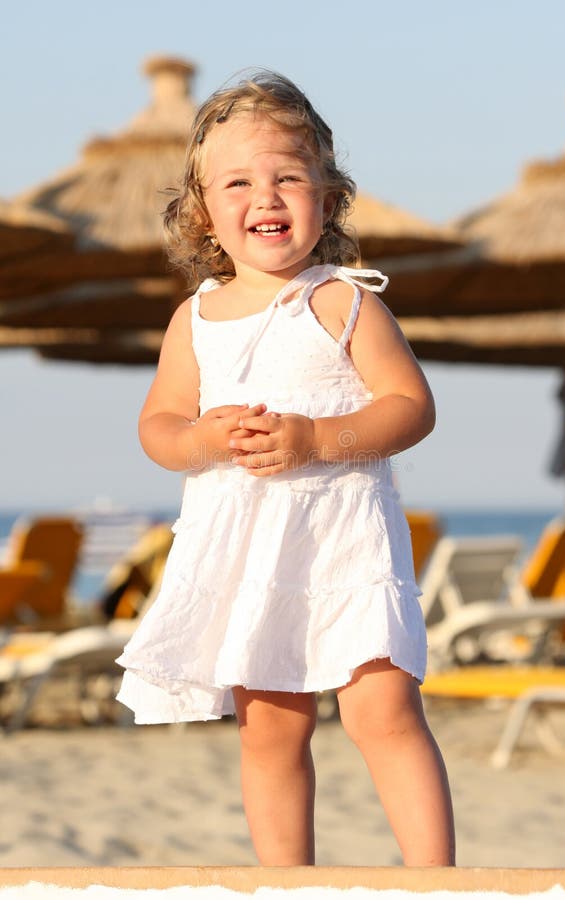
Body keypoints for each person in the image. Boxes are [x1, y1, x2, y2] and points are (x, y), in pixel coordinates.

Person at [115, 70, 455, 868]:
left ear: (328, 200)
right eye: (238, 182)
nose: (265, 197)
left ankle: (444, 880)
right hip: (247, 552)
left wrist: (316, 440)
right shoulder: (194, 318)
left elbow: (410, 405)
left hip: (342, 542)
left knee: (384, 708)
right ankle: (286, 883)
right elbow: (158, 426)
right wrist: (199, 443)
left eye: (288, 178)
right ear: (203, 212)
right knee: (270, 726)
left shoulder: (341, 301)